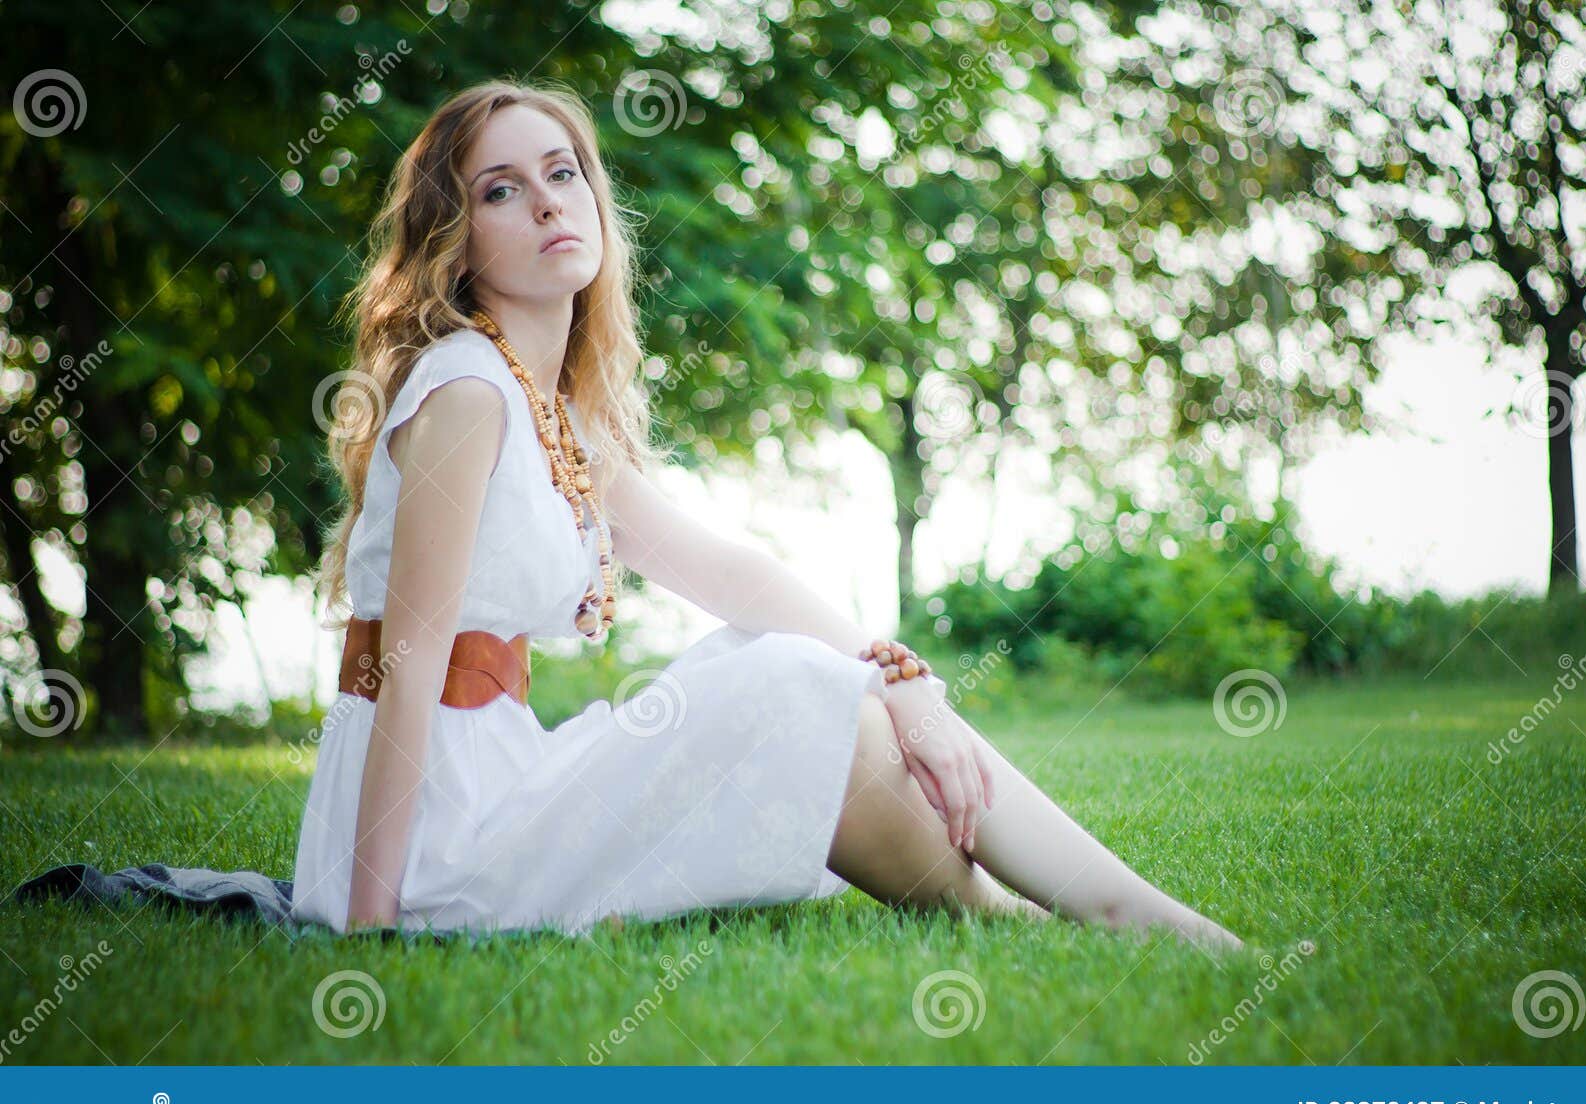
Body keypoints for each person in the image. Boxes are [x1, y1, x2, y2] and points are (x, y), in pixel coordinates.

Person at [289, 77, 1245, 954]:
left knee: (793, 667)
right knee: (788, 679)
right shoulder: (466, 393)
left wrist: (907, 683)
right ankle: (1098, 914)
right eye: (499, 190)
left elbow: (729, 573)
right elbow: (408, 669)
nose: (545, 201)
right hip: (433, 842)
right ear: (454, 237)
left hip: (499, 779)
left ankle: (1066, 912)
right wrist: (372, 925)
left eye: (562, 172)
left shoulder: (549, 408)